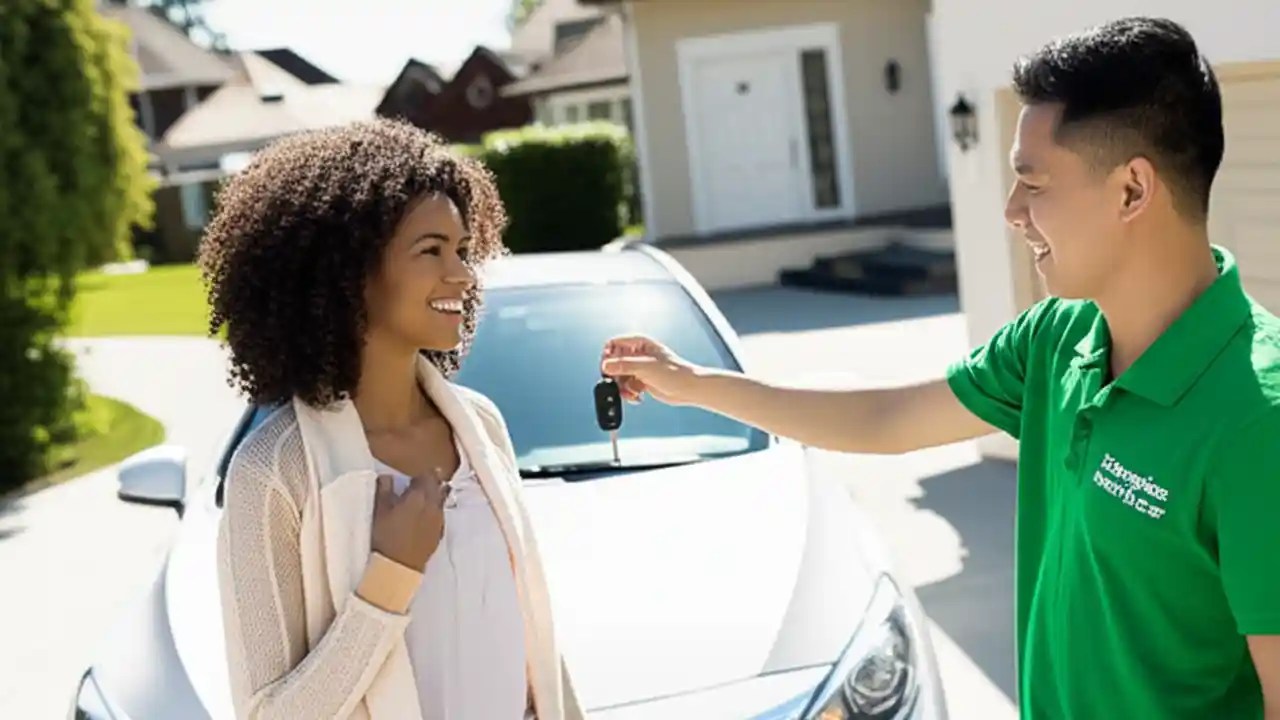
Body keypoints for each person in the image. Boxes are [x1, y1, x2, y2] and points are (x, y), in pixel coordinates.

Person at [601, 17, 1280, 720]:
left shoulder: (1260, 421)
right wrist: (695, 384)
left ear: (1132, 192)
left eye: (1033, 183)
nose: (1012, 211)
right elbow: (889, 418)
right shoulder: (1058, 339)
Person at [202, 119, 583, 720]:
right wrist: (391, 577)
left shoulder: (480, 426)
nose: (461, 273)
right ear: (348, 272)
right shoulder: (275, 472)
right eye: (431, 250)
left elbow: (535, 648)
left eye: (462, 250)